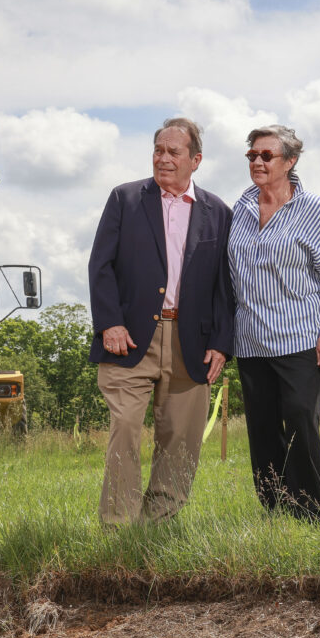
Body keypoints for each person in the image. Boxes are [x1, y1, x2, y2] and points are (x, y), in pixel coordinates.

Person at [88, 117, 234, 525]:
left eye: (174, 152)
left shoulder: (219, 212)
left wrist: (222, 343)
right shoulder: (125, 199)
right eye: (158, 150)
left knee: (182, 441)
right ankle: (118, 528)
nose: (163, 158)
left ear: (196, 160)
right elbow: (100, 266)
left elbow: (226, 286)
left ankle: (158, 527)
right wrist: (109, 323)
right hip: (129, 339)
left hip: (192, 343)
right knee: (126, 428)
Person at [228, 124, 320, 523]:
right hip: (251, 343)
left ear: (291, 161)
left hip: (300, 339)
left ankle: (313, 512)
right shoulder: (242, 207)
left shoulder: (314, 209)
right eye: (252, 155)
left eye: (267, 156)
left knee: (301, 420)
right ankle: (273, 508)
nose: (257, 162)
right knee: (263, 431)